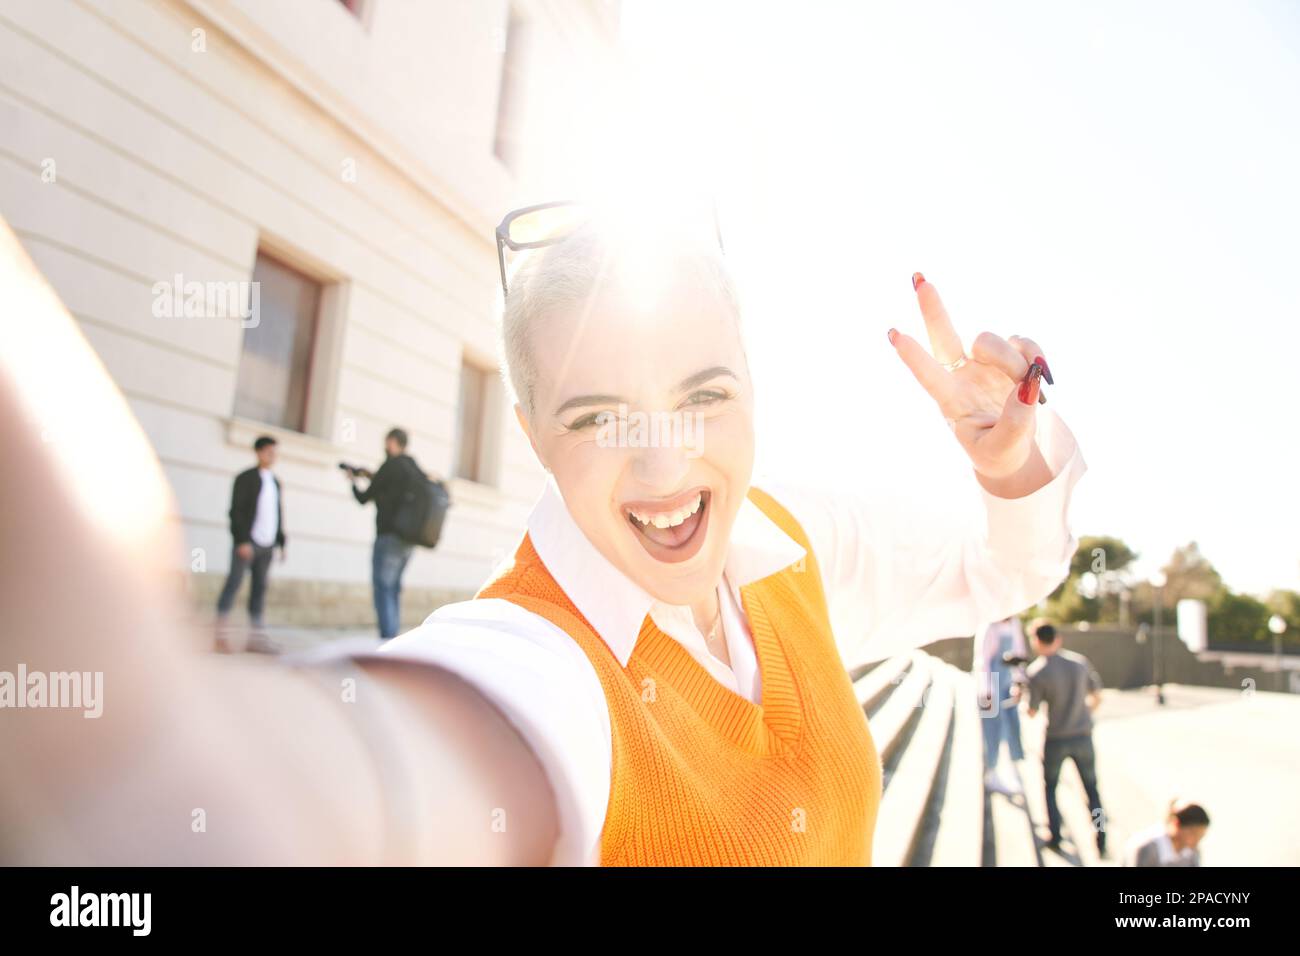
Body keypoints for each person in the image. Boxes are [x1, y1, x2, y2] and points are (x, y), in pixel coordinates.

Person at [0, 206, 1088, 865]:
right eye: (595, 416)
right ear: (530, 432)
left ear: (756, 384)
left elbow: (1004, 567)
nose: (663, 469)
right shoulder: (537, 651)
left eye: (703, 394)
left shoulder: (791, 539)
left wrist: (1002, 464)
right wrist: (175, 766)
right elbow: (401, 761)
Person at [1025, 618, 1106, 855]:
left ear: (1037, 641)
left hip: (1057, 738)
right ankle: (1101, 834)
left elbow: (1031, 712)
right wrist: (1085, 713)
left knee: (1050, 788)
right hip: (1083, 735)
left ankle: (1056, 835)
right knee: (1092, 789)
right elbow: (1097, 695)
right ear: (1057, 639)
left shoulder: (1037, 671)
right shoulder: (1079, 663)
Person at [345, 428, 419, 639]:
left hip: (388, 537)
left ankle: (387, 638)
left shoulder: (390, 466)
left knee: (383, 588)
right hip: (409, 540)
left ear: (392, 442)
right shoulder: (413, 468)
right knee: (393, 588)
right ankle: (392, 636)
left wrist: (353, 480)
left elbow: (364, 497)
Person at [215, 435, 285, 647]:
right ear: (259, 452)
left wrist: (281, 542)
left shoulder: (275, 482)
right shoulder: (245, 478)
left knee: (259, 591)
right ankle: (220, 635)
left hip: (267, 545)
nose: (272, 456)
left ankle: (255, 640)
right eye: (269, 452)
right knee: (233, 585)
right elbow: (236, 511)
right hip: (247, 543)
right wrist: (242, 540)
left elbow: (277, 514)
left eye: (275, 452)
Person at [975, 615, 1028, 795]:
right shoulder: (989, 626)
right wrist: (987, 691)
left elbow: (1019, 652)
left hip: (1007, 681)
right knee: (992, 728)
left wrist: (1019, 680)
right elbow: (983, 660)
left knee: (1013, 725)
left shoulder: (1014, 624)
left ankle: (1014, 766)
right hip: (990, 685)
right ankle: (991, 770)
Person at [1123, 800, 1210, 866]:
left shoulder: (1193, 853)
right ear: (1176, 824)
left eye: (1200, 836)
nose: (1196, 841)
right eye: (1193, 834)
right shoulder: (1147, 848)